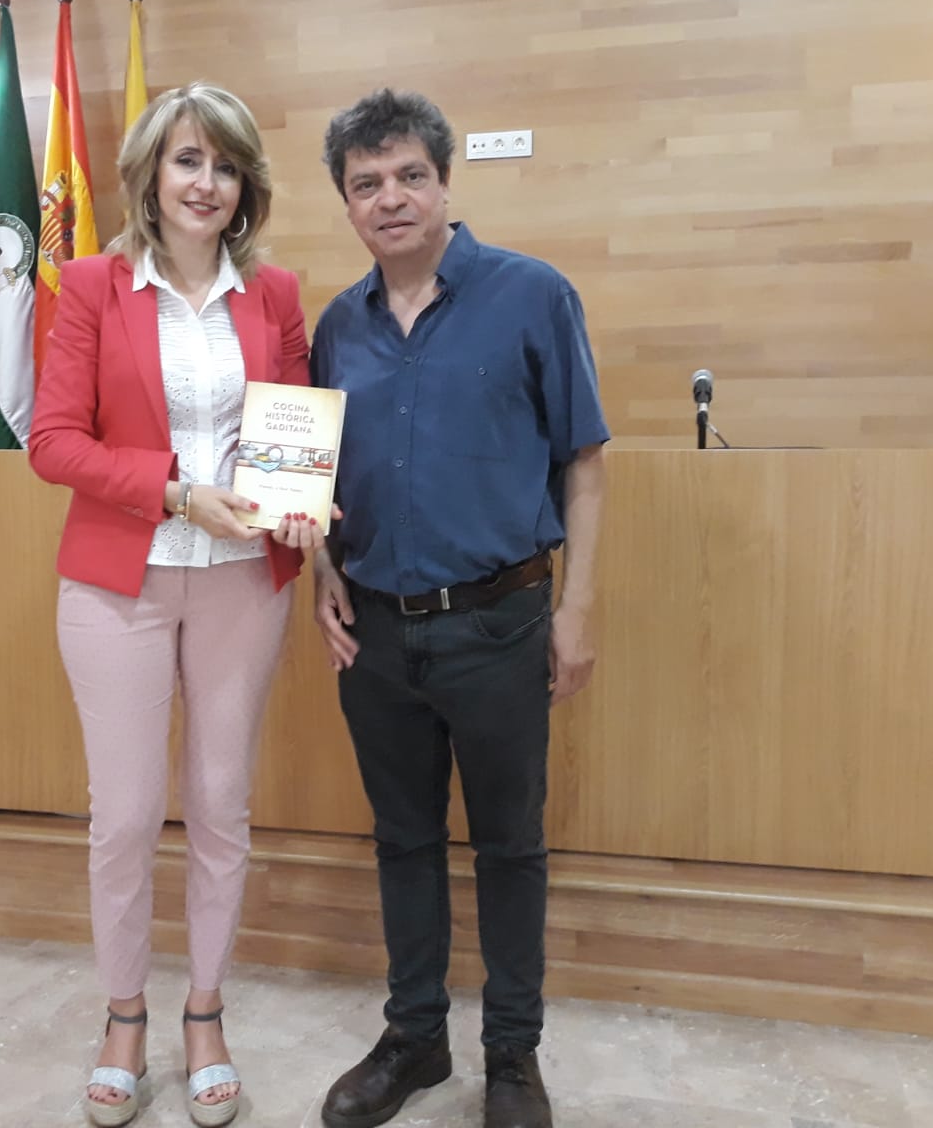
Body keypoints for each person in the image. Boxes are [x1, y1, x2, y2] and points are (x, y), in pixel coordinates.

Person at [306, 89, 609, 1128]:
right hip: (377, 634)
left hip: (499, 623)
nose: (389, 199)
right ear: (346, 204)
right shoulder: (335, 326)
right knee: (402, 841)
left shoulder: (531, 296)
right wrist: (321, 572)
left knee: (510, 846)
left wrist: (578, 609)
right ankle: (415, 1039)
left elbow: (585, 461)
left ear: (442, 181)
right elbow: (315, 480)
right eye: (365, 184)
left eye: (408, 176)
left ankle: (512, 1056)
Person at [28, 82, 324, 1128]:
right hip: (120, 581)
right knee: (120, 819)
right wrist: (171, 491)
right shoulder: (89, 287)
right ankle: (123, 1018)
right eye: (190, 160)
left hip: (244, 583)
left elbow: (291, 434)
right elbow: (52, 442)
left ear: (247, 187)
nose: (207, 183)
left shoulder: (274, 294)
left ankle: (204, 1013)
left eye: (227, 165)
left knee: (220, 807)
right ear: (151, 173)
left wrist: (295, 510)